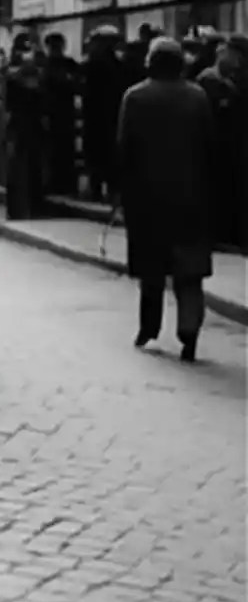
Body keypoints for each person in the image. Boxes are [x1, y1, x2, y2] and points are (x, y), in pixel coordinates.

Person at [117, 37, 215, 362]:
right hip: (191, 197)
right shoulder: (197, 97)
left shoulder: (135, 97)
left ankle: (149, 327)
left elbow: (124, 149)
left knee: (152, 268)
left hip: (147, 198)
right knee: (190, 273)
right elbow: (210, 147)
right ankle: (189, 332)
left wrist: (123, 191)